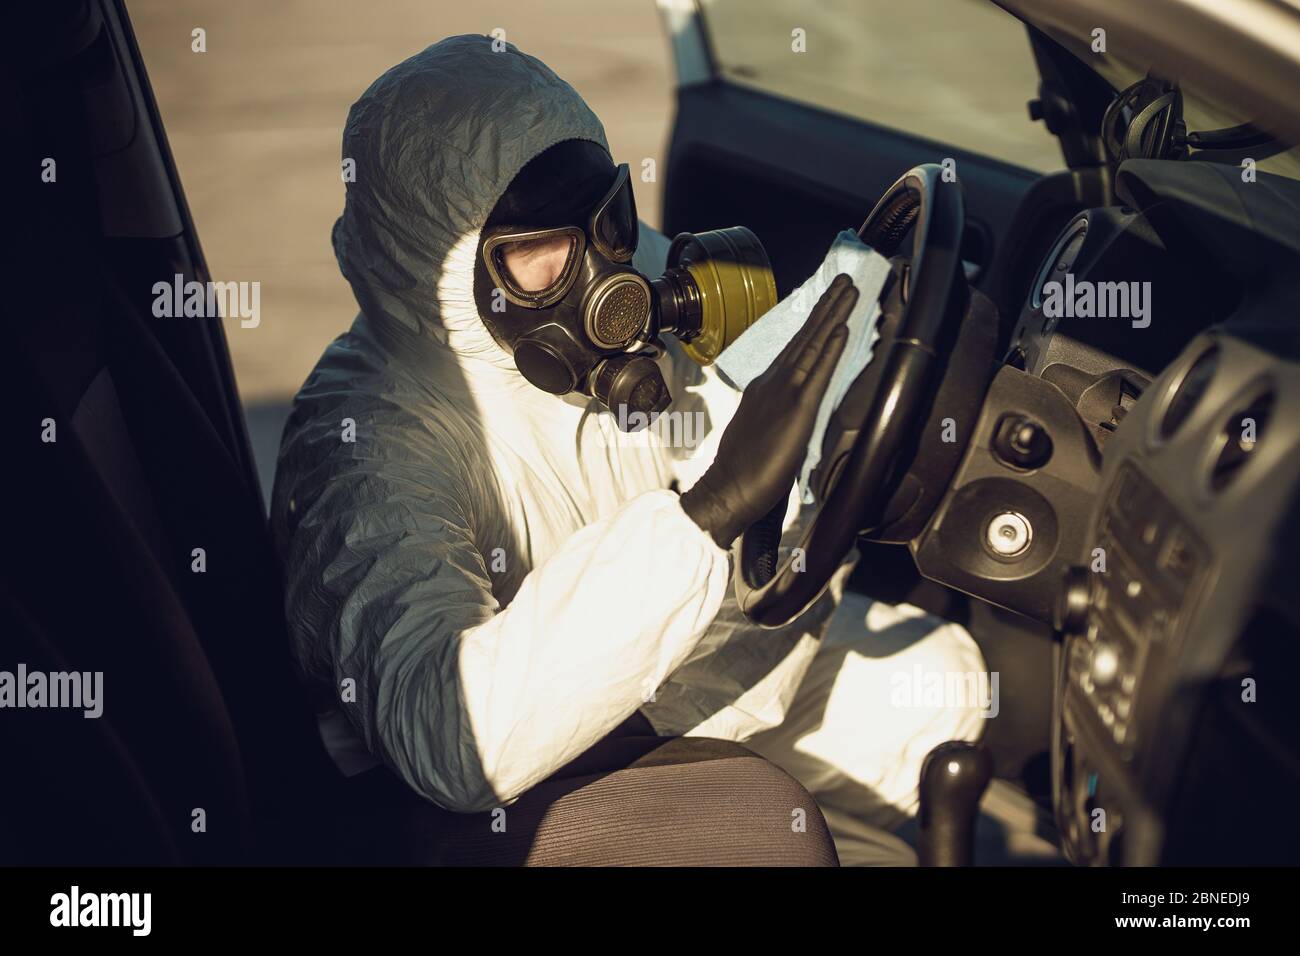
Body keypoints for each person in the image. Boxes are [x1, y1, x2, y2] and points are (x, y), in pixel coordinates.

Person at [272, 34, 984, 865]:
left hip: (680, 663)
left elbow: (744, 393)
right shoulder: (366, 448)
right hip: (527, 784)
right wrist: (708, 512)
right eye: (538, 254)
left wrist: (858, 343)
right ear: (449, 269)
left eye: (604, 217)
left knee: (946, 685)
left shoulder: (606, 259)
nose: (603, 275)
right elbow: (451, 740)